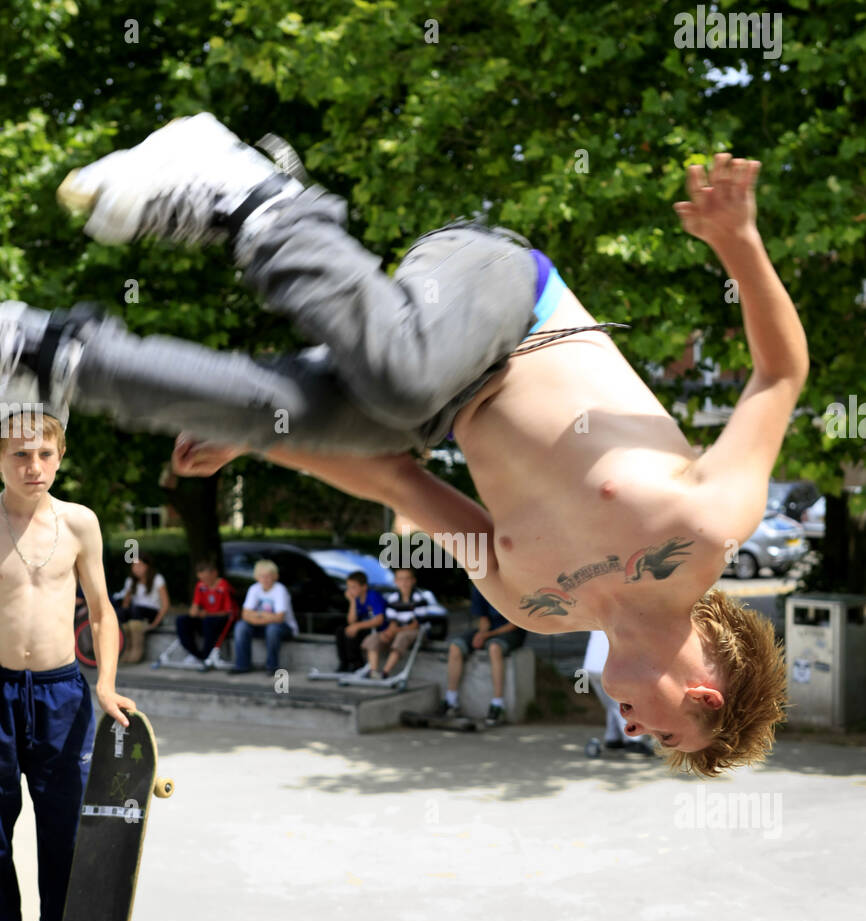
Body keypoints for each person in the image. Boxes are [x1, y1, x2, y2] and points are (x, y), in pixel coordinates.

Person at [0, 116, 806, 773]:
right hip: (503, 293)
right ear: (704, 695)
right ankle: (252, 195)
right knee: (404, 377)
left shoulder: (532, 602)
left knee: (266, 409)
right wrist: (737, 242)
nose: (638, 730)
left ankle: (37, 351)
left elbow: (395, 481)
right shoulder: (704, 528)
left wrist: (265, 443)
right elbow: (778, 376)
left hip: (432, 397)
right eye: (668, 734)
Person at [0, 403, 134, 921]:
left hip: (61, 695)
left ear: (60, 456)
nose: (33, 466)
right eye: (19, 454)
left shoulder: (80, 523)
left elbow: (103, 613)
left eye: (44, 454)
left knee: (67, 838)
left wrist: (104, 684)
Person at [441, 581, 525, 726]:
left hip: (512, 631)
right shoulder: (480, 586)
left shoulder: (513, 585)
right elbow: (484, 620)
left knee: (494, 648)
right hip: (490, 632)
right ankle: (451, 700)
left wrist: (487, 636)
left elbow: (514, 624)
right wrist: (481, 634)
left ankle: (498, 704)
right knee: (456, 646)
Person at [583, 629, 650, 753]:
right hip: (607, 666)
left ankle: (613, 737)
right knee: (621, 703)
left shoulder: (600, 617)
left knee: (611, 704)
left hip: (591, 666)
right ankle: (633, 740)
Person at [366, 566, 439, 679]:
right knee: (375, 637)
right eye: (400, 579)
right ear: (395, 581)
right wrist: (389, 632)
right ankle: (373, 671)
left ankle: (385, 672)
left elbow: (416, 625)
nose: (404, 583)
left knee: (402, 636)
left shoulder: (419, 598)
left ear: (413, 581)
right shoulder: (393, 598)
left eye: (407, 579)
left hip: (418, 632)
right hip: (399, 630)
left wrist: (394, 631)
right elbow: (392, 621)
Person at [229, 559, 298, 675]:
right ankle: (242, 664)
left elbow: (280, 618)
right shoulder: (254, 589)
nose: (265, 579)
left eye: (269, 576)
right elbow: (245, 615)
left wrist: (255, 616)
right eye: (262, 576)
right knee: (241, 626)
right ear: (257, 577)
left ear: (275, 576)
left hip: (284, 627)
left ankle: (272, 666)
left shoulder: (280, 590)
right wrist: (263, 615)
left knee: (272, 629)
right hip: (264, 625)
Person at [175, 556, 237, 669]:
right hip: (206, 619)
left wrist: (207, 614)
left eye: (206, 578)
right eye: (201, 578)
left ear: (214, 573)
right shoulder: (200, 586)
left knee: (208, 621)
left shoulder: (223, 586)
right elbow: (195, 607)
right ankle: (195, 654)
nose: (204, 581)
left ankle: (206, 655)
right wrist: (194, 611)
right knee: (182, 620)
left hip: (222, 621)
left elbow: (228, 612)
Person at [335, 571, 386, 673]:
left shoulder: (373, 596)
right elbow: (351, 621)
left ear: (364, 587)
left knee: (353, 632)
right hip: (365, 627)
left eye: (353, 587)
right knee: (341, 630)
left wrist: (357, 626)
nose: (350, 590)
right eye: (348, 587)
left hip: (378, 630)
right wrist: (352, 602)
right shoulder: (356, 599)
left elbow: (379, 620)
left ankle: (357, 664)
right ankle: (344, 663)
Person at [113, 553, 170, 629]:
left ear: (147, 566)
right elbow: (125, 604)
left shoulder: (157, 579)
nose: (136, 569)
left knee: (135, 611)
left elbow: (165, 605)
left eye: (139, 565)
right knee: (119, 612)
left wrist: (154, 624)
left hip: (152, 614)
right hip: (136, 613)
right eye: (134, 566)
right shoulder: (130, 581)